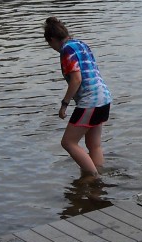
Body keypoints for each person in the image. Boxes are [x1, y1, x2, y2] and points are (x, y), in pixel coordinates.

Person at [44, 17, 112, 177]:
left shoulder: (66, 50)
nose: (51, 47)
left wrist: (64, 104)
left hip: (90, 102)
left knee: (68, 142)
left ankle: (93, 178)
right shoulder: (81, 44)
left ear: (52, 39)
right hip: (104, 97)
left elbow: (76, 79)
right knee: (93, 145)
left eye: (49, 44)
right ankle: (99, 179)